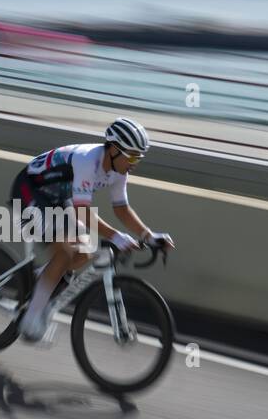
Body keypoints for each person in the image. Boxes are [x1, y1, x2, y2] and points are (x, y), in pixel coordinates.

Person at [9, 116, 174, 342]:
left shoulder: (119, 171)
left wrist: (149, 235)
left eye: (140, 157)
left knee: (85, 251)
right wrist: (115, 236)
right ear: (115, 150)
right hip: (29, 191)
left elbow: (122, 209)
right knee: (65, 251)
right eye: (133, 156)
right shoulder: (88, 161)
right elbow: (82, 211)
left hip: (56, 197)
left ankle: (43, 278)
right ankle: (31, 318)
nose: (135, 162)